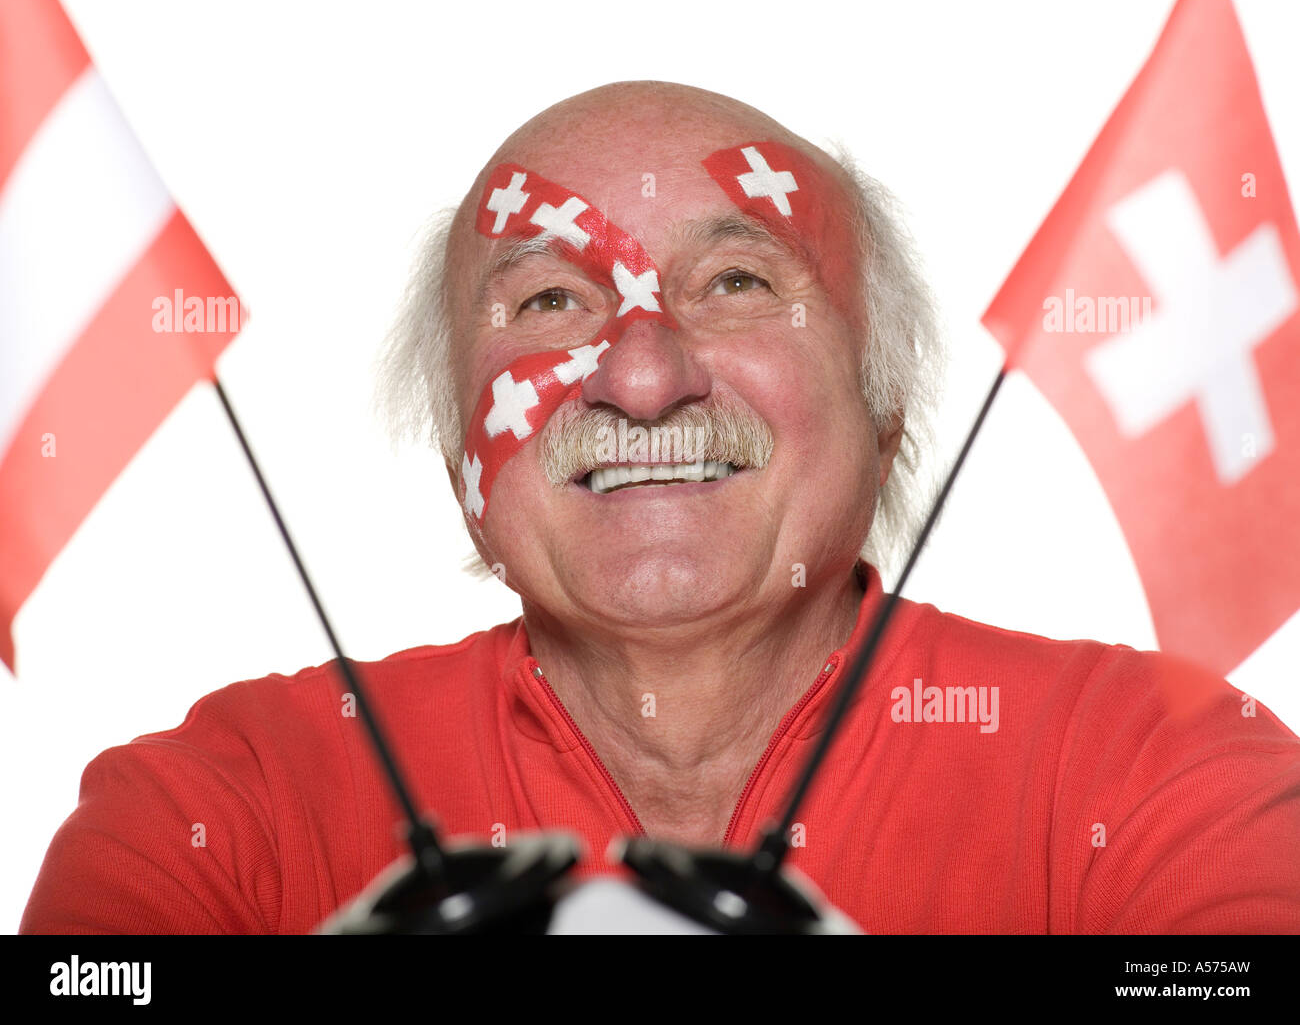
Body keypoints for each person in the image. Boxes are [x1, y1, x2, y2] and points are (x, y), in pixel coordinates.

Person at [21, 81, 1300, 934]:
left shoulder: (1167, 774)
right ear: (453, 437)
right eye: (545, 301)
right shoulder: (217, 808)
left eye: (737, 279)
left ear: (889, 404)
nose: (639, 375)